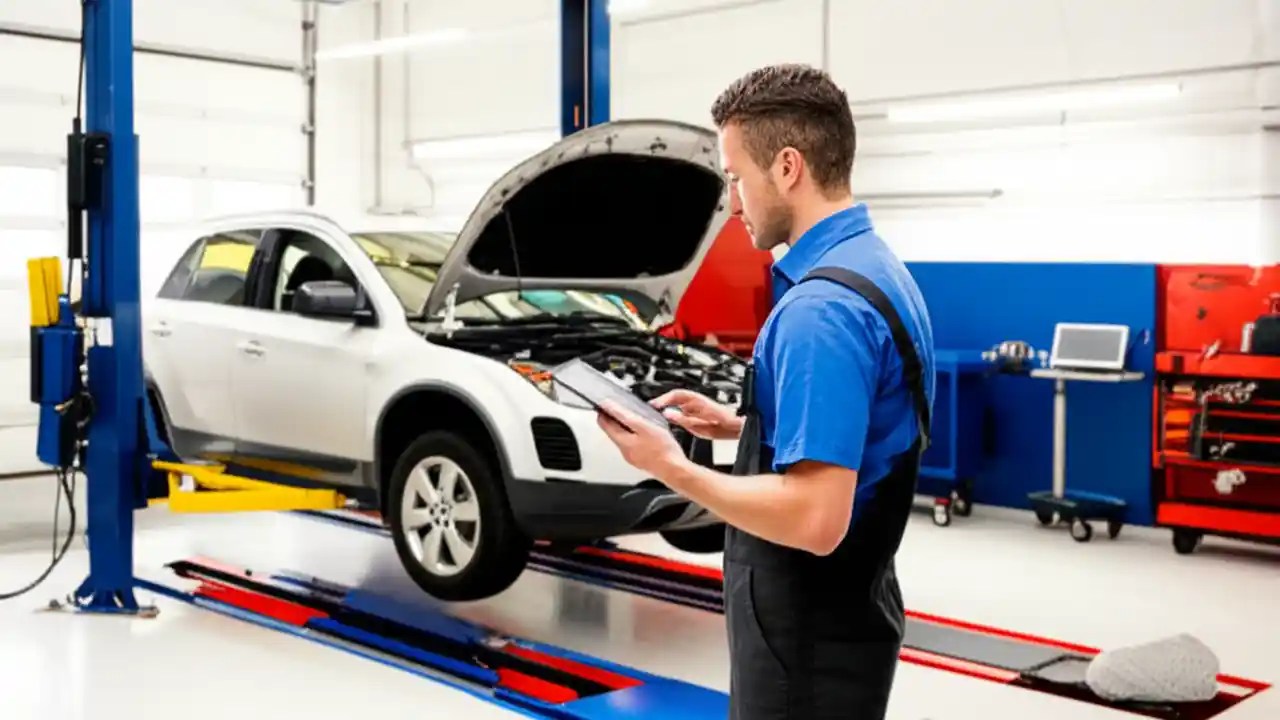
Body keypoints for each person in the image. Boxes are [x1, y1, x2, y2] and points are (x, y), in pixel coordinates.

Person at [595, 63, 936, 720]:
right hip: (851, 616)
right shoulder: (875, 267)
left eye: (735, 178)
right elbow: (867, 425)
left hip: (803, 645)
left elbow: (814, 519)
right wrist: (742, 425)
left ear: (786, 168)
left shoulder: (821, 310)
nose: (732, 202)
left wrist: (671, 468)